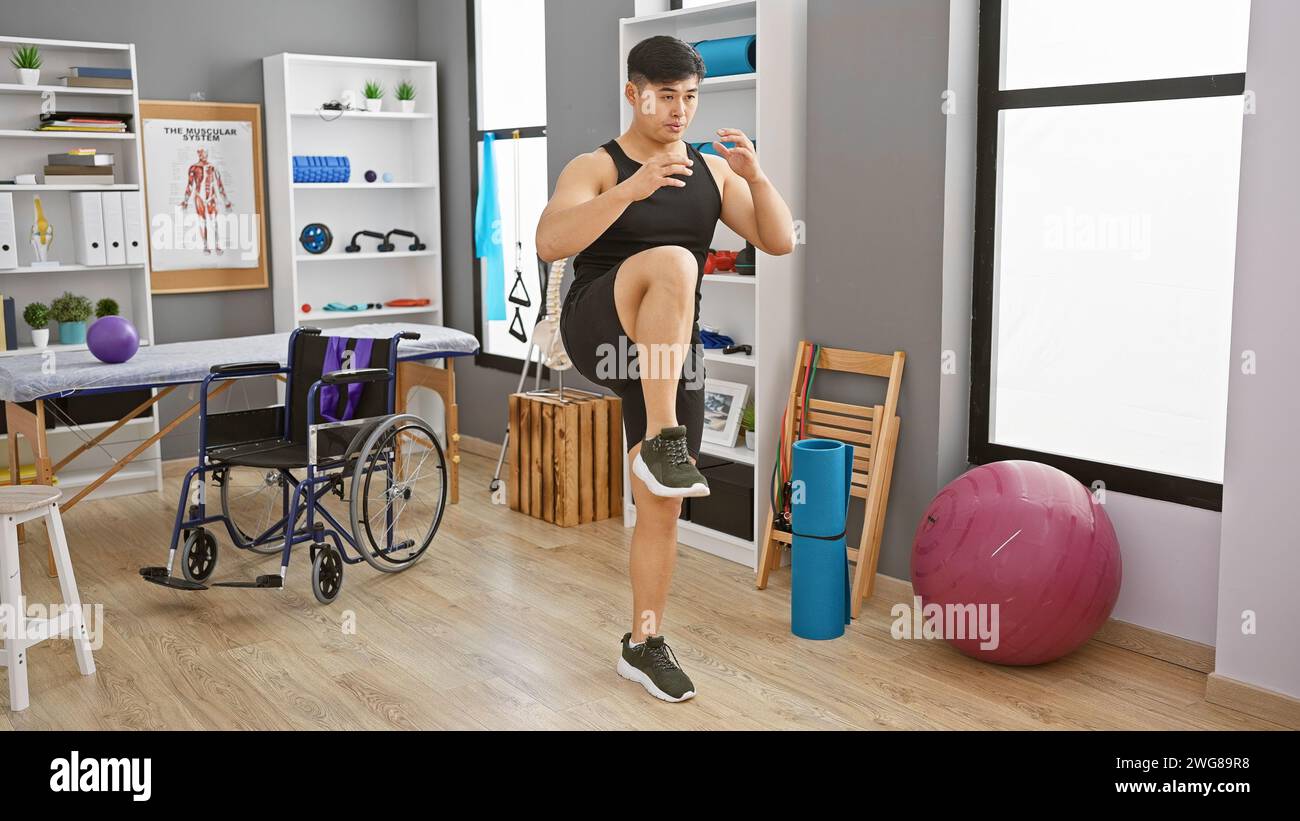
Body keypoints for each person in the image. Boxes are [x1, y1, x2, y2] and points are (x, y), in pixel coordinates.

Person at [536, 35, 795, 702]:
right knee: (678, 260)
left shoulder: (711, 172)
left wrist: (757, 177)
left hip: (667, 355)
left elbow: (779, 240)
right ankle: (661, 438)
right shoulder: (596, 165)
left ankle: (643, 641)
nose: (680, 111)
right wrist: (629, 191)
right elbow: (549, 242)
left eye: (690, 98)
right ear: (634, 93)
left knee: (661, 511)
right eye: (666, 96)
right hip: (599, 324)